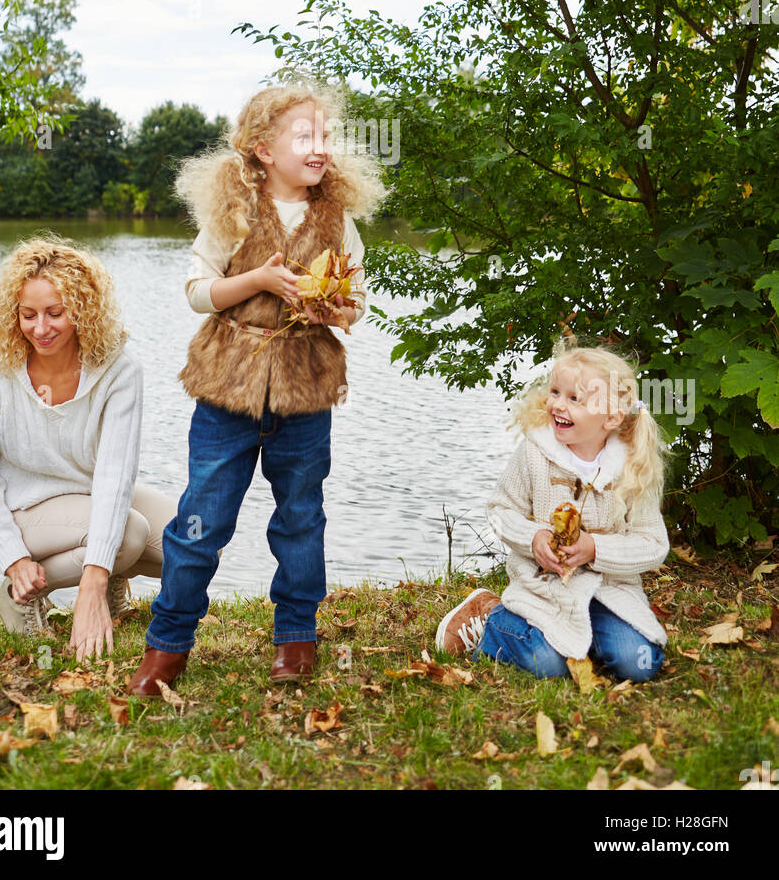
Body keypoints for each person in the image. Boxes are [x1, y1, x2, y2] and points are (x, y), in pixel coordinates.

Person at [129, 83, 385, 697]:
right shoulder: (234, 213)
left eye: (326, 136)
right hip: (227, 391)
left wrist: (336, 311)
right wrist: (256, 279)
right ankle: (167, 647)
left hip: (305, 393)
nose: (320, 148)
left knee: (300, 518)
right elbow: (197, 292)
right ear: (264, 149)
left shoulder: (336, 218)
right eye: (305, 136)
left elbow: (357, 304)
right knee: (200, 520)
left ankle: (296, 639)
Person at [0, 235, 177, 663]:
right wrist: (13, 557)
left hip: (88, 495)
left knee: (197, 542)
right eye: (28, 314)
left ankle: (107, 577)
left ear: (83, 309)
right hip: (22, 509)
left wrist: (92, 583)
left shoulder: (119, 368)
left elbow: (115, 472)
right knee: (127, 534)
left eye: (56, 313)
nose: (41, 328)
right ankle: (18, 595)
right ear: (13, 313)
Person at [435, 341, 669, 681]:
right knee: (547, 665)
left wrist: (595, 549)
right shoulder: (535, 453)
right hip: (544, 588)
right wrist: (534, 539)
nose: (558, 405)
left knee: (639, 664)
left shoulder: (632, 467)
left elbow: (653, 544)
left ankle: (583, 638)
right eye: (555, 392)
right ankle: (491, 616)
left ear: (611, 418)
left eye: (574, 399)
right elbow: (500, 510)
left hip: (610, 592)